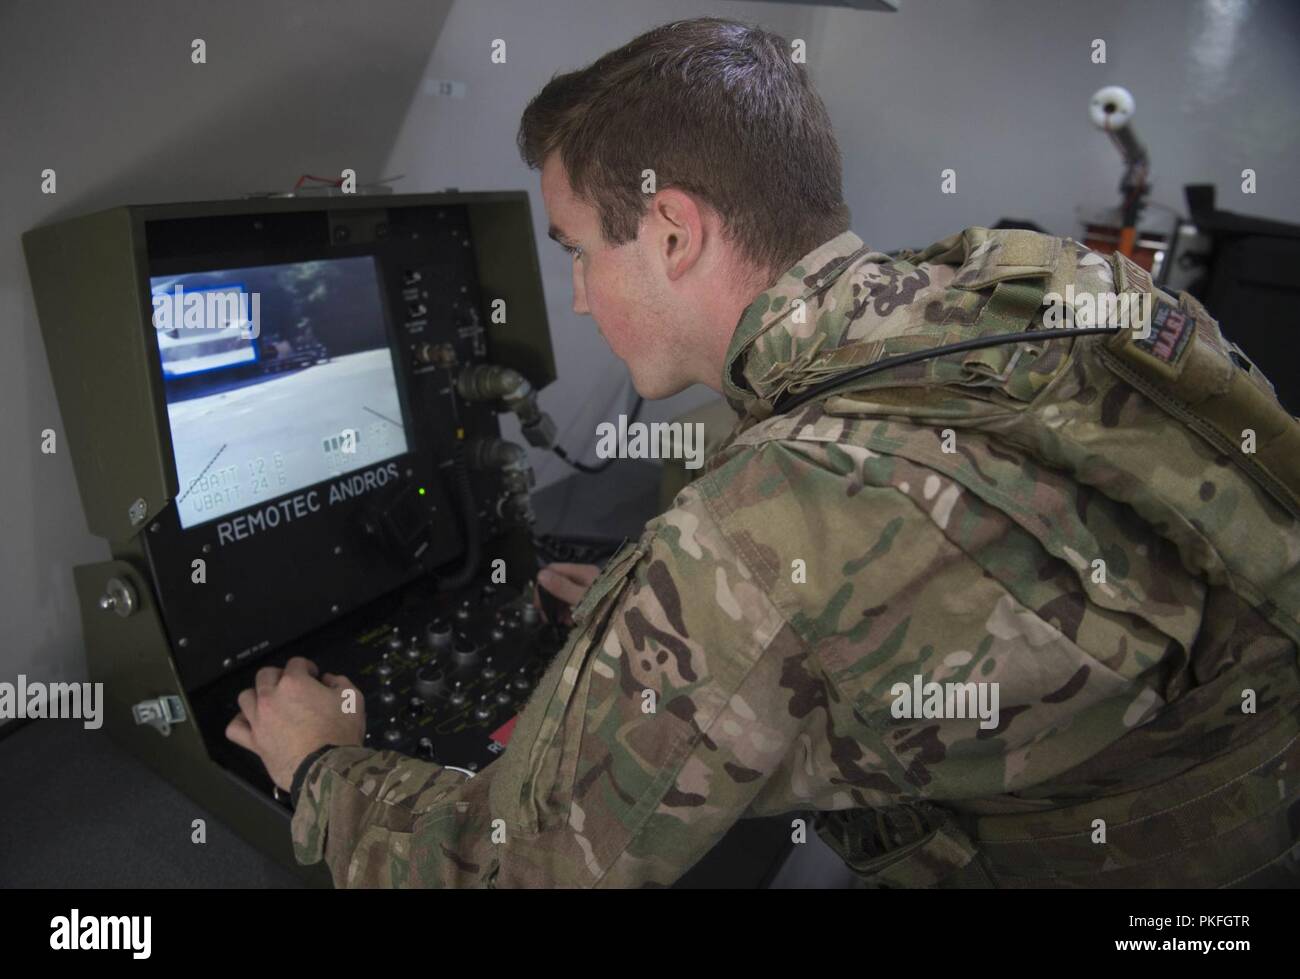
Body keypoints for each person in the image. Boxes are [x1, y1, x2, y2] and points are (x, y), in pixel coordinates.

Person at [225, 17, 1300, 888]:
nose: (580, 297)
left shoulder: (753, 536)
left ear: (672, 232)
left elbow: (514, 869)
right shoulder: (1029, 290)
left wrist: (317, 761)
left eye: (579, 252)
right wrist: (654, 615)